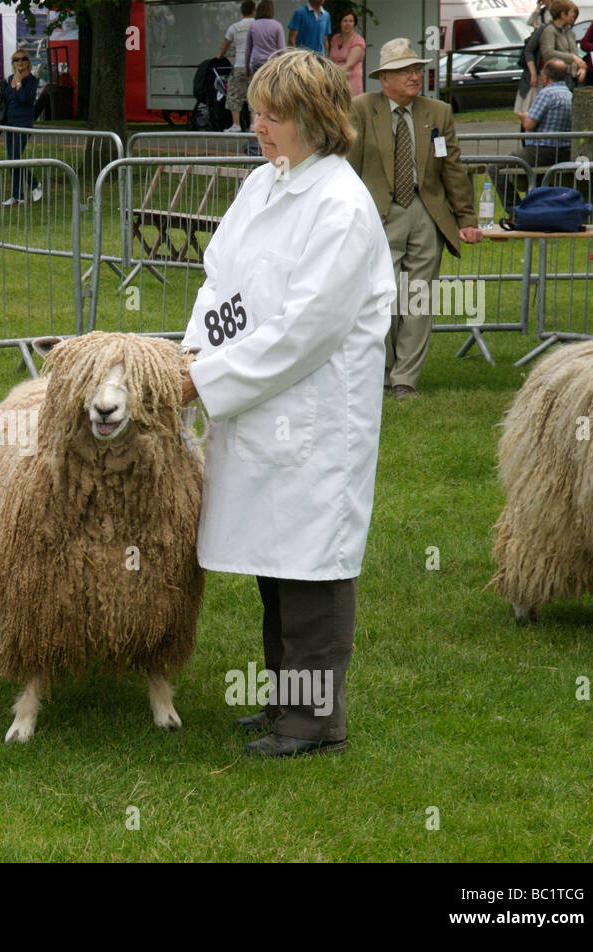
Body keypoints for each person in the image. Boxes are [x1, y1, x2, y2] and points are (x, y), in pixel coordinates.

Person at [179, 49, 393, 758]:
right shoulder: (262, 185)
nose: (258, 125)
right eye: (257, 111)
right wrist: (192, 354)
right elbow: (223, 285)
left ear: (317, 119)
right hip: (259, 410)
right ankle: (284, 700)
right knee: (275, 561)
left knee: (314, 563)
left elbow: (305, 331)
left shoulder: (340, 207)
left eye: (274, 115)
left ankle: (315, 722)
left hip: (317, 416)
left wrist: (203, 382)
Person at [348, 38, 481, 401]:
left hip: (426, 213)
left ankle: (406, 378)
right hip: (378, 216)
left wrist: (466, 217)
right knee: (382, 297)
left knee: (418, 298)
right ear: (384, 78)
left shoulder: (437, 112)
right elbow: (347, 169)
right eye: (405, 71)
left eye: (416, 70)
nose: (414, 76)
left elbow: (452, 168)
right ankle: (382, 371)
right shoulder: (360, 109)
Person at [496, 59, 573, 211]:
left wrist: (524, 116)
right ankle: (538, 209)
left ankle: (514, 210)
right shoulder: (569, 94)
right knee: (538, 182)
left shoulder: (546, 93)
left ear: (545, 77)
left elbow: (529, 124)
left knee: (495, 167)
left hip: (542, 150)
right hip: (564, 150)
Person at [0, 48, 41, 207]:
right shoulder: (9, 79)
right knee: (11, 160)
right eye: (16, 59)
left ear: (28, 62)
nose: (20, 62)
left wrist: (19, 83)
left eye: (23, 59)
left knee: (15, 159)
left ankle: (35, 184)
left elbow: (24, 98)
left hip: (23, 125)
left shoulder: (32, 81)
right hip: (9, 124)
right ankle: (18, 196)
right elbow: (5, 98)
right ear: (13, 63)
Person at [217, 0, 256, 132]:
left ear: (242, 11)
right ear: (253, 11)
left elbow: (225, 45)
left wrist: (218, 57)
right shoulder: (258, 26)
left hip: (239, 64)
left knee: (234, 94)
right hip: (255, 64)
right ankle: (253, 124)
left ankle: (236, 125)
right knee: (254, 94)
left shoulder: (234, 27)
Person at [540, 1, 587, 87]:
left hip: (572, 76)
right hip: (556, 77)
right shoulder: (549, 30)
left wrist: (581, 69)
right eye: (571, 15)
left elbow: (575, 53)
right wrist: (572, 57)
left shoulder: (570, 32)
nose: (573, 19)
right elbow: (548, 53)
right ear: (563, 14)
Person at [328, 10, 366, 97]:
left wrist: (331, 74)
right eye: (345, 21)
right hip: (335, 79)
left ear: (354, 23)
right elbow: (330, 59)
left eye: (350, 21)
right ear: (340, 23)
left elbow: (349, 65)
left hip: (350, 80)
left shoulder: (358, 40)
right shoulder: (335, 38)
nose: (347, 24)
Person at [246, 0, 285, 75]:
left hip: (257, 62)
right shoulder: (277, 25)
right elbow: (281, 49)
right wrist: (283, 66)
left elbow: (248, 48)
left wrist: (247, 66)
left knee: (258, 85)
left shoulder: (253, 25)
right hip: (273, 62)